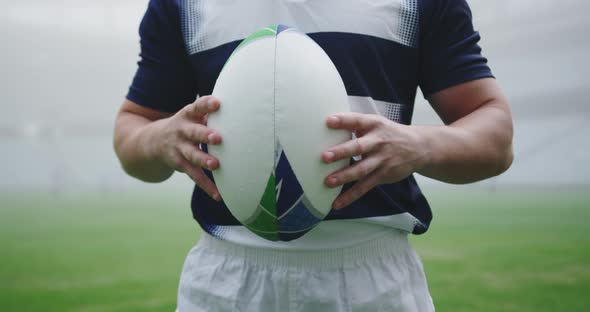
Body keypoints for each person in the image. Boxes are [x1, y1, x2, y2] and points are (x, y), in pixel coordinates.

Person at [114, 0, 513, 311]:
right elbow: (131, 133)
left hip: (372, 281)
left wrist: (423, 145)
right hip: (226, 281)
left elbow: (495, 138)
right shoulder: (182, 5)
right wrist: (156, 140)